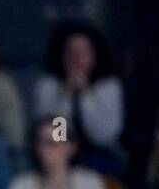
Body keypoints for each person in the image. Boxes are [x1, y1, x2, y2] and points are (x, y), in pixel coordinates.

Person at [32, 21, 125, 172]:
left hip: (101, 156)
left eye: (84, 52)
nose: (77, 58)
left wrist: (85, 95)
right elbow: (55, 135)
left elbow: (104, 136)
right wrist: (66, 95)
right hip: (58, 156)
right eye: (71, 51)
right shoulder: (47, 86)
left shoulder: (109, 87)